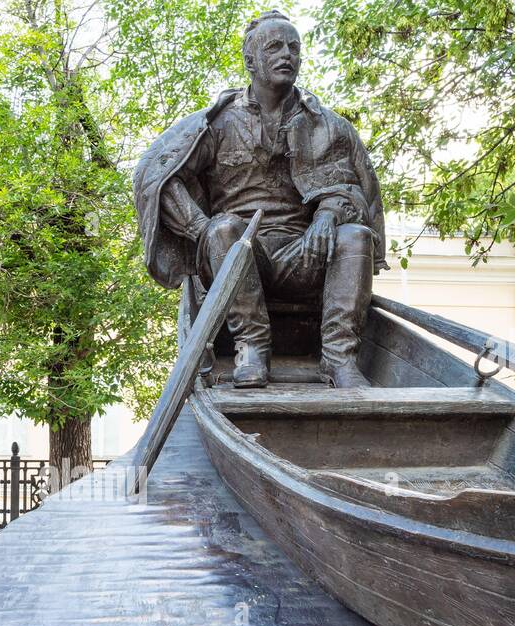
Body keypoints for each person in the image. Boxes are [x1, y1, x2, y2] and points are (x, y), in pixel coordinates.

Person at [133, 10, 386, 388]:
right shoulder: (217, 123)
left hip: (305, 254)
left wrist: (327, 216)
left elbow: (352, 189)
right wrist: (201, 230)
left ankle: (338, 358)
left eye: (294, 48)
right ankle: (251, 347)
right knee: (225, 231)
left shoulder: (328, 125)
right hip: (237, 257)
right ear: (251, 61)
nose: (287, 54)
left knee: (354, 236)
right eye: (275, 47)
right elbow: (156, 175)